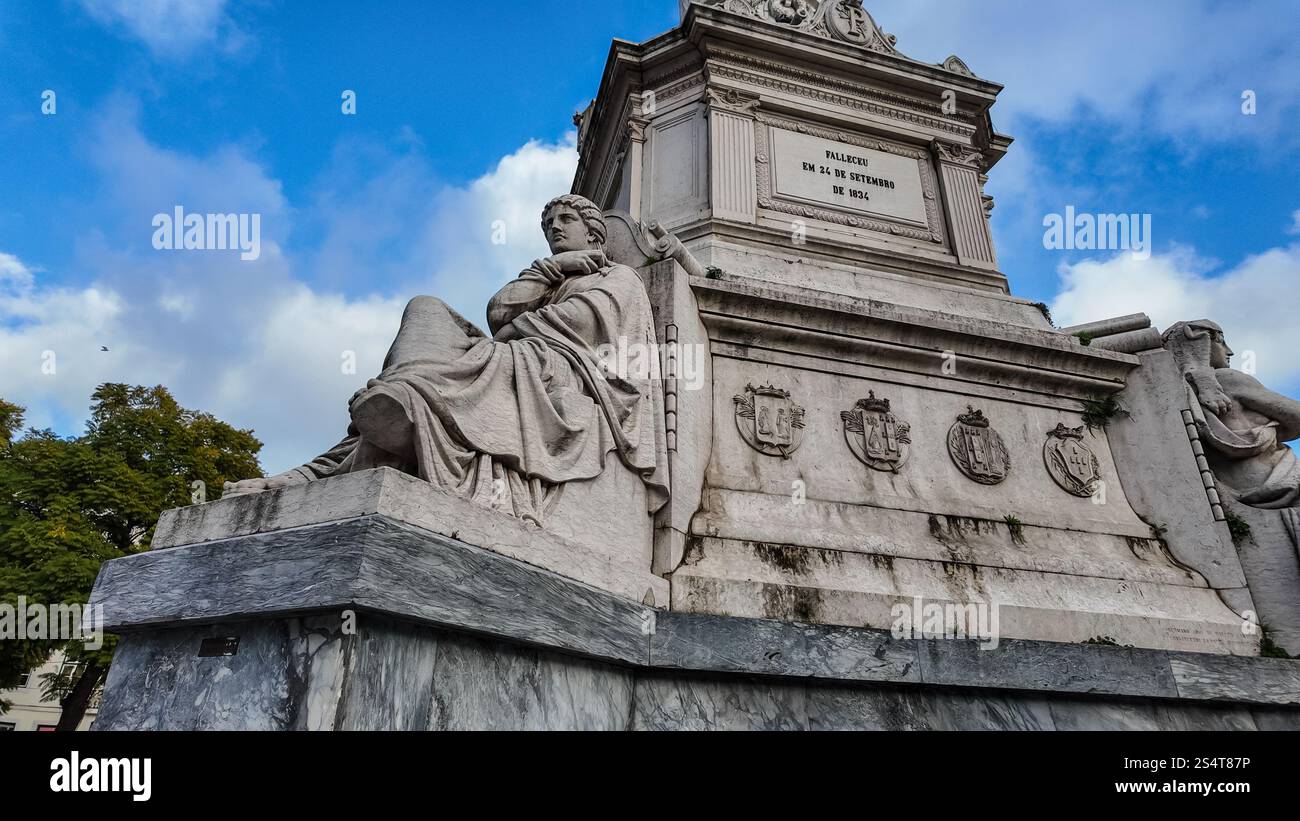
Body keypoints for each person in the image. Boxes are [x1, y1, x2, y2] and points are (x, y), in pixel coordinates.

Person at [225, 194, 669, 525]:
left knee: (472, 368)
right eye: (549, 222)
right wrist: (550, 269)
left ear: (595, 233)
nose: (555, 227)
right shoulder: (551, 276)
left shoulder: (619, 276)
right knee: (426, 308)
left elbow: (583, 326)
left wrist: (519, 325)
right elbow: (498, 311)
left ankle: (397, 419)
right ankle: (393, 412)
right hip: (519, 352)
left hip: (564, 371)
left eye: (566, 219)